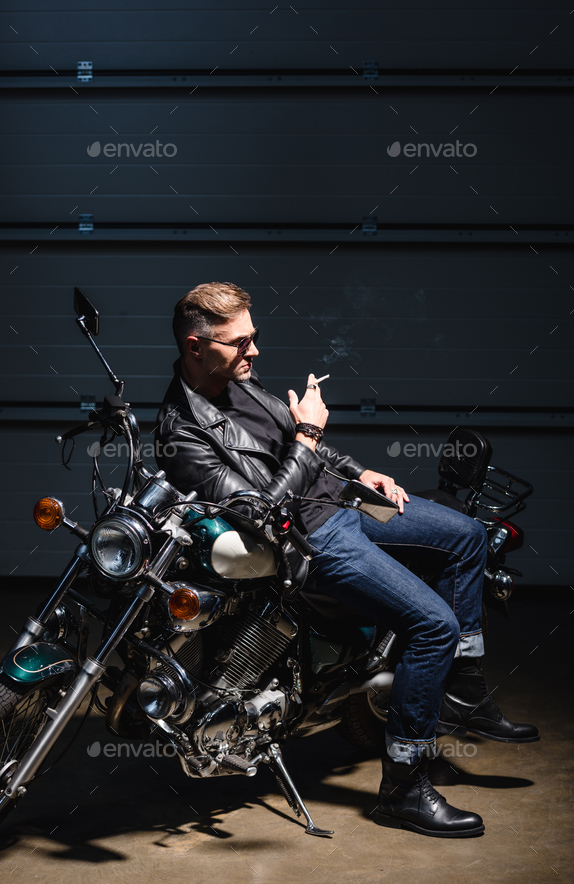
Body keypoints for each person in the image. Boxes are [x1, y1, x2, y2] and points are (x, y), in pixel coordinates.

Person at [155, 281, 539, 839]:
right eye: (240, 343)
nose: (254, 353)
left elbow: (304, 446)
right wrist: (309, 434)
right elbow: (263, 510)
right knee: (434, 624)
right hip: (313, 541)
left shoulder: (237, 379)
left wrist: (358, 473)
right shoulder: (180, 432)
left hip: (344, 504)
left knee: (466, 536)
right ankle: (403, 789)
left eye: (254, 339)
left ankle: (464, 690)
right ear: (195, 346)